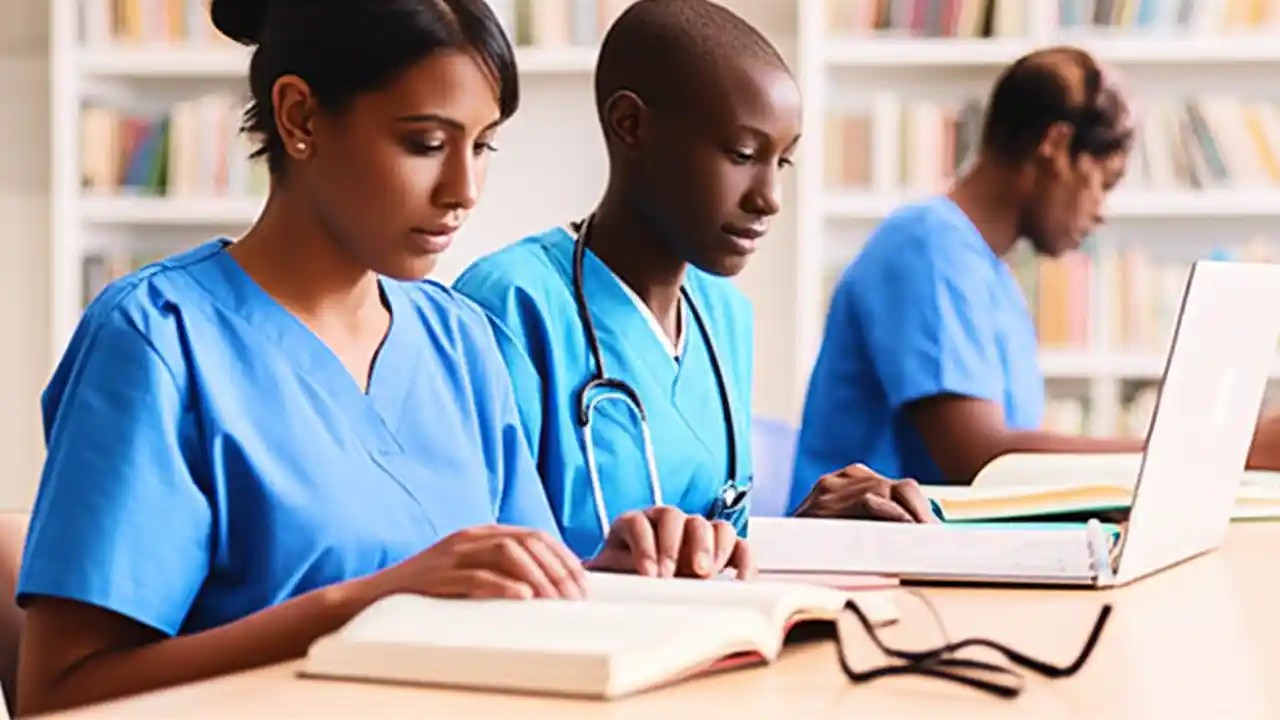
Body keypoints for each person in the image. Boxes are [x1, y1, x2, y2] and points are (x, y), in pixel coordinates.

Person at [14, 1, 752, 715]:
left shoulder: (459, 340)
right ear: (300, 118)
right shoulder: (158, 340)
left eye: (482, 146)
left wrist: (611, 572)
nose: (463, 191)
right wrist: (365, 605)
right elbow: (64, 693)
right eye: (425, 144)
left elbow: (510, 598)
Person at [452, 0, 935, 562]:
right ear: (630, 125)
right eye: (743, 154)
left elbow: (719, 541)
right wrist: (608, 571)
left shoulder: (724, 315)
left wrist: (807, 531)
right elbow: (474, 564)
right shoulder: (508, 306)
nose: (769, 199)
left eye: (781, 163)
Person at [790, 46, 1280, 503]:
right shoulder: (927, 248)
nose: (1101, 210)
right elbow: (979, 459)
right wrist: (1219, 450)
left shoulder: (992, 275)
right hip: (866, 550)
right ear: (1056, 146)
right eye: (1102, 182)